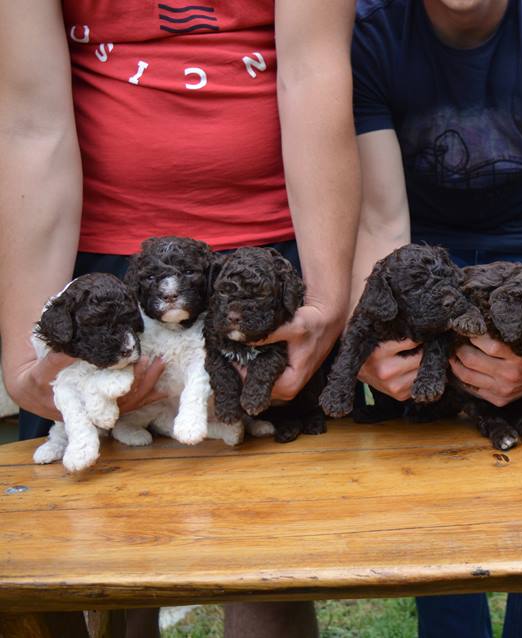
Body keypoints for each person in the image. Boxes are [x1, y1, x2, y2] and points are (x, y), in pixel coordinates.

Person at [0, 1, 360, 637]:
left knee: (266, 550)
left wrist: (325, 304)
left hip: (262, 260)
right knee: (87, 539)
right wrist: (22, 358)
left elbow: (312, 71)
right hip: (97, 267)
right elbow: (30, 121)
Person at [348, 0, 522, 635]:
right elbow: (380, 216)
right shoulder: (373, 35)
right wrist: (381, 342)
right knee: (434, 477)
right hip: (425, 268)